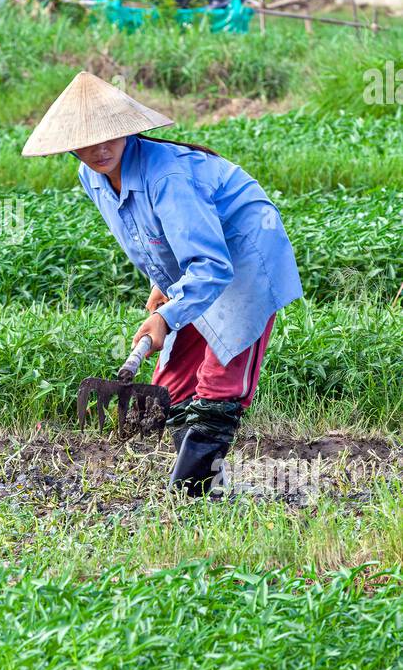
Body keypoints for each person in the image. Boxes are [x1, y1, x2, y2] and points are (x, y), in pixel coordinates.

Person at [23, 71, 303, 495]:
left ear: (128, 129)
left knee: (219, 382)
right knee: (170, 386)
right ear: (68, 144)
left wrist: (167, 317)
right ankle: (211, 482)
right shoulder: (93, 176)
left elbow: (212, 263)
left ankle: (190, 495)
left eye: (110, 136)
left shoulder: (168, 177)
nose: (100, 149)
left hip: (242, 255)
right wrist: (164, 283)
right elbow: (141, 231)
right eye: (87, 141)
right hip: (196, 264)